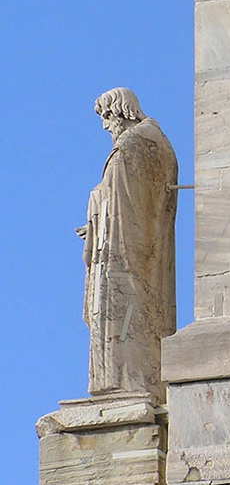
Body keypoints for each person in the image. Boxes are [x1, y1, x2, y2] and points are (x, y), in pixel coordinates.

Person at [77, 88, 177, 398]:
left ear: (122, 111)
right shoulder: (152, 142)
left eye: (107, 116)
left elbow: (129, 206)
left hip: (125, 253)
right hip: (128, 246)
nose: (106, 125)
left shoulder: (133, 144)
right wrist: (96, 218)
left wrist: (101, 215)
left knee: (123, 311)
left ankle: (126, 383)